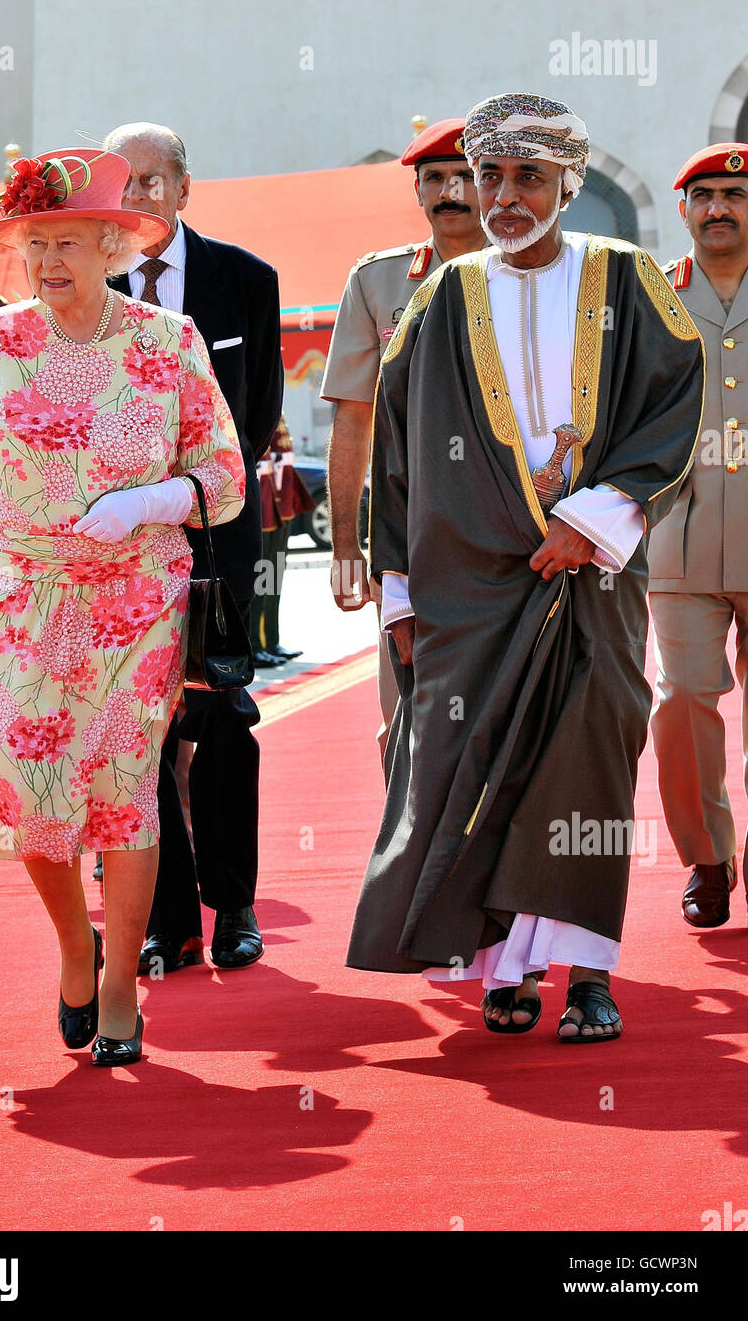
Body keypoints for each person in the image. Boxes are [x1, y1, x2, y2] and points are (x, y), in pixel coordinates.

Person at [347, 93, 705, 1043]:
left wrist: (590, 522)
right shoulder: (441, 297)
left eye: (528, 178)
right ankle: (499, 964)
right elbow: (396, 454)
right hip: (468, 580)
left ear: (567, 185)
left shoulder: (626, 280)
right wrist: (398, 591)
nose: (504, 197)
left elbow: (672, 411)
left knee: (590, 758)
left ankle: (586, 970)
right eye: (489, 176)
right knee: (474, 762)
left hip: (592, 572)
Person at [0, 147, 245, 1066]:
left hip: (135, 596)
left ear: (114, 244)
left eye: (69, 241)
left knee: (121, 787)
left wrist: (150, 502)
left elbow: (223, 476)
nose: (50, 259)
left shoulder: (166, 340)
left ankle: (118, 988)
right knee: (29, 785)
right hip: (21, 594)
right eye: (37, 244)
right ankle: (78, 947)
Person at [103, 122, 284, 974]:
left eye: (150, 180)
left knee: (219, 719)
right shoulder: (84, 284)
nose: (135, 195)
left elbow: (250, 422)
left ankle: (234, 906)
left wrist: (191, 497)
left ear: (183, 187)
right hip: (111, 549)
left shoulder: (244, 281)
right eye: (122, 181)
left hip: (214, 538)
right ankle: (163, 920)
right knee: (133, 731)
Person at [322, 119, 485, 761]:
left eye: (466, 176)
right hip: (408, 531)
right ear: (418, 194)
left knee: (509, 708)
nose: (451, 191)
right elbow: (353, 418)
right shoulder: (379, 283)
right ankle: (412, 855)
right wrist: (344, 545)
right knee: (407, 707)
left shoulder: (536, 276)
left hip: (515, 526)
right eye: (435, 179)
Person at [648, 143, 748, 928]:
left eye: (736, 195)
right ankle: (707, 857)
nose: (720, 208)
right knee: (681, 700)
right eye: (705, 195)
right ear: (682, 209)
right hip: (677, 536)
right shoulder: (650, 295)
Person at [250, 414, 313, 666]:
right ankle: (256, 643)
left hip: (279, 497)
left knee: (274, 576)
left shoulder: (276, 407)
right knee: (261, 579)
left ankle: (270, 640)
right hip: (265, 500)